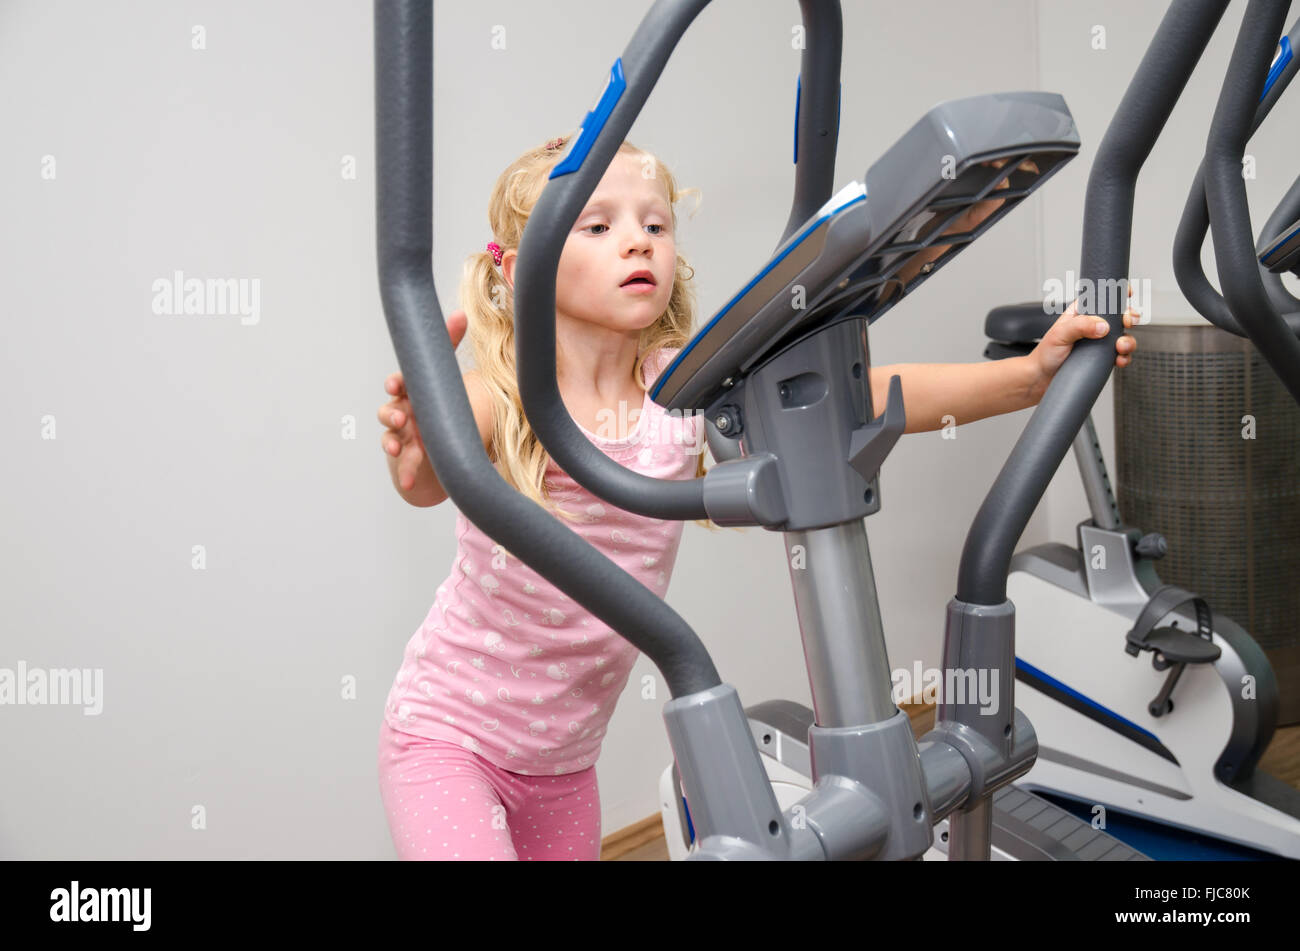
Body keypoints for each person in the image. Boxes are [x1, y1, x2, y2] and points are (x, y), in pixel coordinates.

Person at [374, 133, 1140, 861]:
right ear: (521, 270)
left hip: (567, 762)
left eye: (654, 224)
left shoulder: (677, 394)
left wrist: (1027, 380)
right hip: (449, 737)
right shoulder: (500, 395)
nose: (638, 241)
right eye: (598, 226)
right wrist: (417, 445)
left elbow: (862, 396)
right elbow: (426, 482)